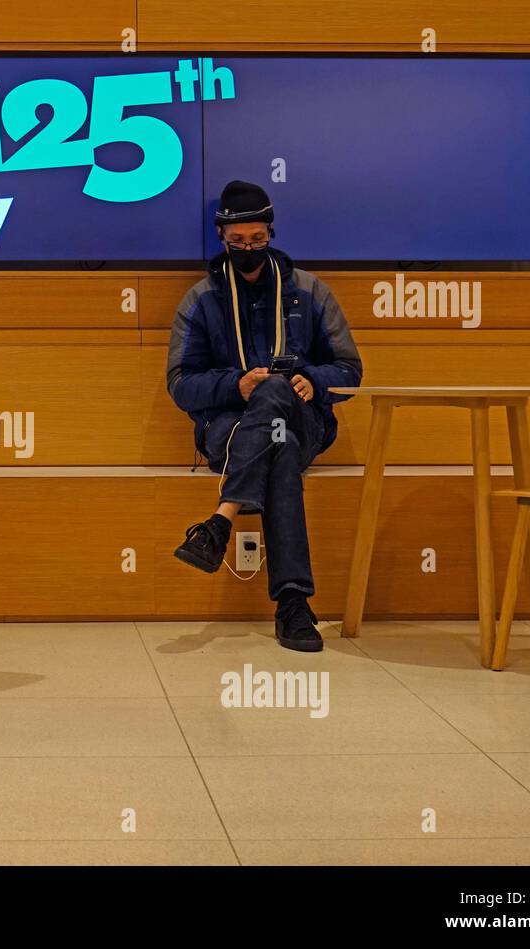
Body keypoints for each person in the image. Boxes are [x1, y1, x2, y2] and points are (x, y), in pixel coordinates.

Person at [167, 181, 362, 651]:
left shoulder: (310, 291)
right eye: (238, 243)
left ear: (271, 233)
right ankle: (294, 605)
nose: (248, 250)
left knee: (280, 397)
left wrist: (313, 381)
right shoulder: (200, 299)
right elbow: (180, 383)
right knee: (282, 453)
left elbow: (350, 370)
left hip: (304, 418)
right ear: (222, 239)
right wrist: (236, 385)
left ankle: (221, 518)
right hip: (227, 429)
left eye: (257, 241)